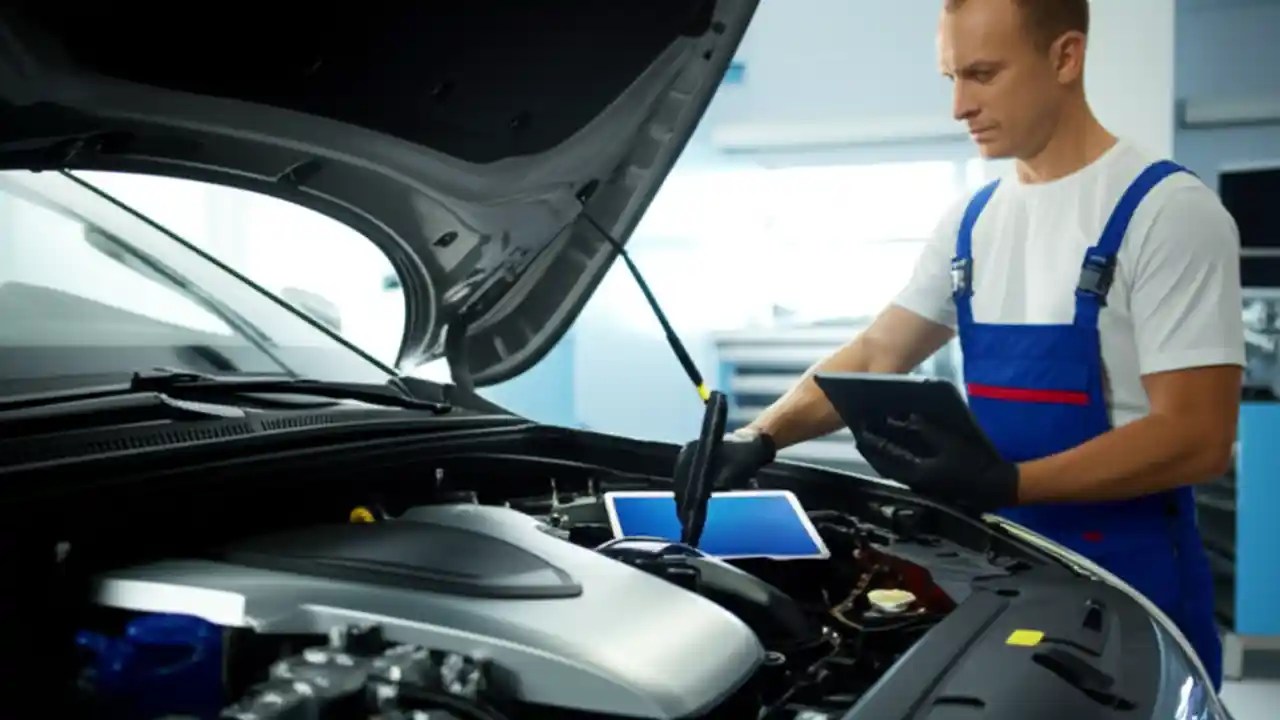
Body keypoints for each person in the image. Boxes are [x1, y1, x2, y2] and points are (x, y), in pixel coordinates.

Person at [675, 0, 1243, 690]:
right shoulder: (972, 223)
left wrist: (1010, 484)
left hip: (1136, 586)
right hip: (1007, 567)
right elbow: (879, 351)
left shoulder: (1167, 212)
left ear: (1065, 58)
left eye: (982, 74)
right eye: (951, 76)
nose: (958, 106)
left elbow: (1197, 436)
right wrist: (761, 437)